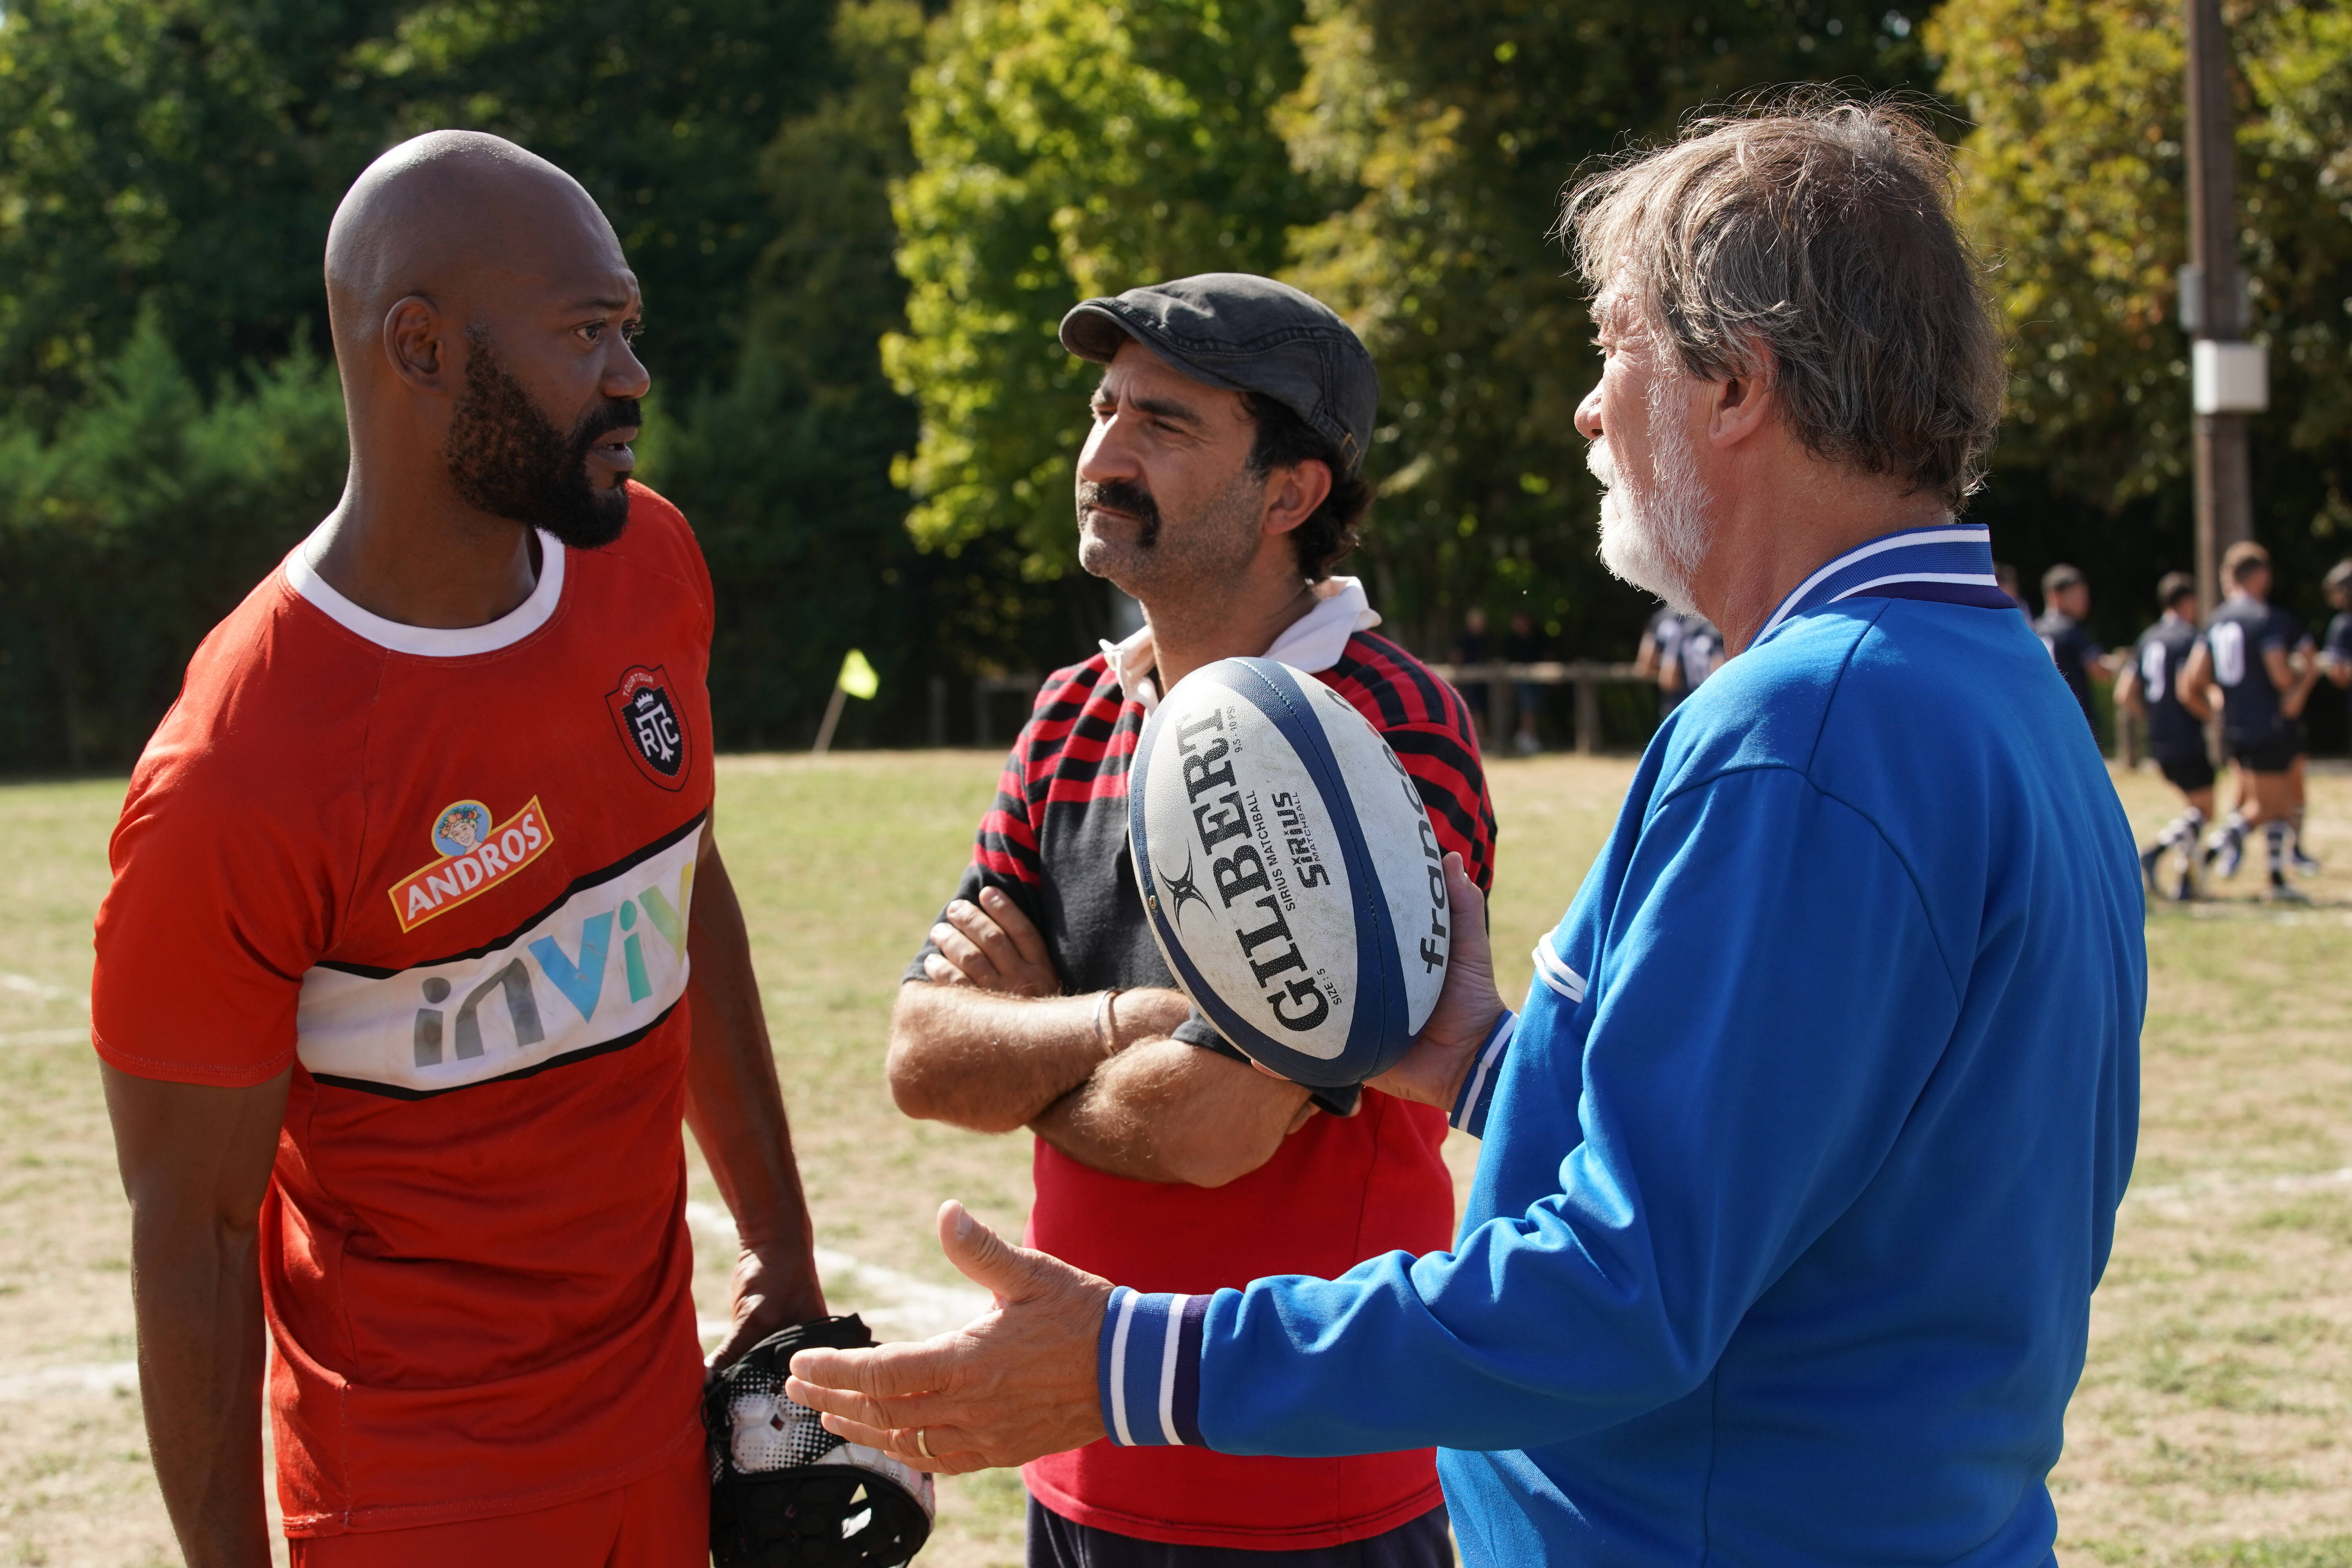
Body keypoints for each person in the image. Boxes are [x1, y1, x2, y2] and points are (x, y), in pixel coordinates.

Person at [785, 101, 2144, 1568]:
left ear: (1736, 380)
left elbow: (1619, 1292)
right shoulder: (1998, 688)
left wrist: (1134, 1362)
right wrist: (1484, 1063)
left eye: (1614, 346)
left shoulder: (1804, 729)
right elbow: (1788, 1170)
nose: (1584, 407)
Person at [90, 132, 824, 1567]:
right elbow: (196, 1233)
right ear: (418, 349)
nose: (634, 375)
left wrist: (780, 1249)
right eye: (583, 331)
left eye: (629, 323)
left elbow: (681, 885)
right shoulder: (238, 769)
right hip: (419, 1490)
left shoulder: (649, 561)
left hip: (663, 1420)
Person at [884, 273, 1495, 1568]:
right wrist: (1133, 1019)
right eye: (1104, 410)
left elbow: (1216, 1132)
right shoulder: (1071, 714)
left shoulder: (1388, 728)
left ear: (1291, 493)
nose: (1103, 453)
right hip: (1074, 1443)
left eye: (1164, 426)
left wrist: (1033, 1053)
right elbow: (922, 1059)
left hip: (1315, 1483)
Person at [2181, 541, 2324, 897]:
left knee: (2263, 803)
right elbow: (2280, 676)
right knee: (2268, 806)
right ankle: (2207, 853)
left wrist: (2218, 700)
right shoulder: (2267, 619)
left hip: (2236, 726)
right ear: (2260, 575)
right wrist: (2302, 683)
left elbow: (2196, 676)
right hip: (2268, 724)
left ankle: (2276, 878)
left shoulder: (2217, 619)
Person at [2115, 572, 2214, 900]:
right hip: (2186, 736)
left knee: (2194, 808)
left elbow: (2125, 693)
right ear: (2187, 601)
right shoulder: (2189, 639)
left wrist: (2153, 717)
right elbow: (2189, 691)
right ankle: (2156, 852)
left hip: (2159, 739)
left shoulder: (2148, 639)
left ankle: (2186, 880)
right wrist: (2212, 716)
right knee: (2205, 810)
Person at [2035, 564, 2111, 735]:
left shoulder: (2033, 629)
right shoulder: (2071, 630)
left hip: (2044, 717)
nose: (2086, 602)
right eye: (2079, 596)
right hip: (2076, 718)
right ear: (2056, 596)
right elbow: (2100, 671)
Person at [1503, 609, 1548, 753]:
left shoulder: (1538, 636)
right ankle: (1529, 737)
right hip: (1519, 681)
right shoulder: (1511, 640)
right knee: (1527, 705)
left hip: (1539, 679)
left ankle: (1526, 736)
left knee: (1531, 706)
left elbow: (1547, 657)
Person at [1633, 602, 1687, 718]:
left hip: (1676, 706)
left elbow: (1645, 668)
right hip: (1709, 700)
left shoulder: (1662, 617)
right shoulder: (1705, 620)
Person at [1452, 606, 1496, 742]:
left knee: (1483, 709)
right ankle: (1479, 740)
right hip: (1469, 680)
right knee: (1474, 709)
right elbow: (1456, 657)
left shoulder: (1486, 639)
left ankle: (1483, 739)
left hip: (1484, 681)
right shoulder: (1463, 638)